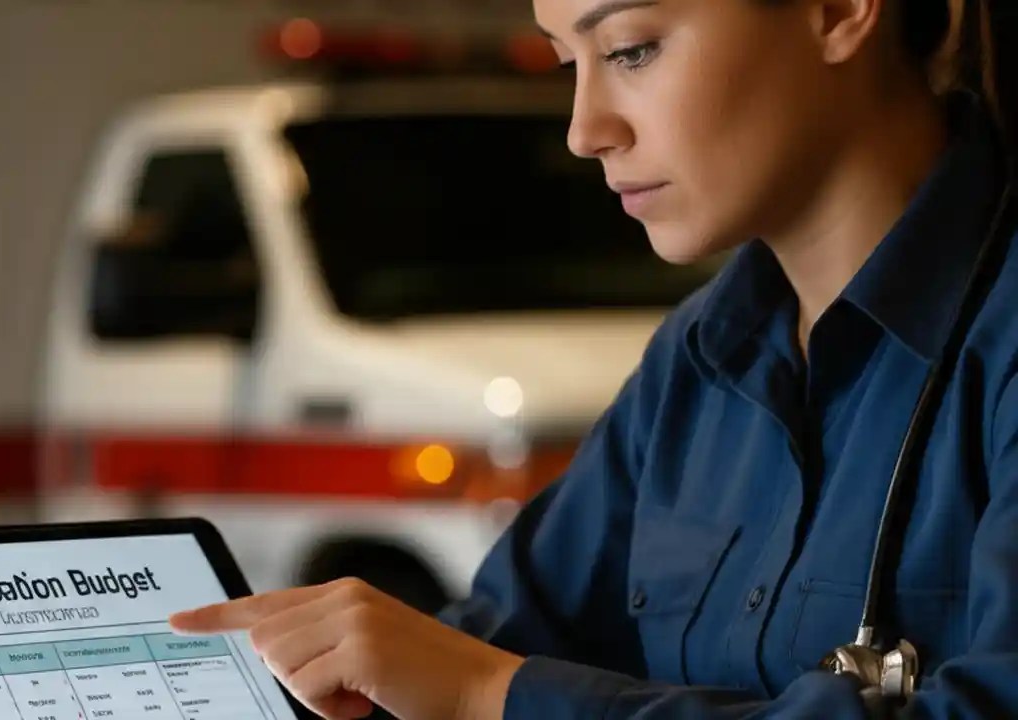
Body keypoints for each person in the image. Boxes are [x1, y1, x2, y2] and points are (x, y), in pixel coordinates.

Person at [168, 0, 1018, 717]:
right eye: (565, 63)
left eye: (630, 50)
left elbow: (484, 677)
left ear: (836, 11)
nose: (585, 130)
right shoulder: (695, 365)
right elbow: (495, 638)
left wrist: (487, 694)